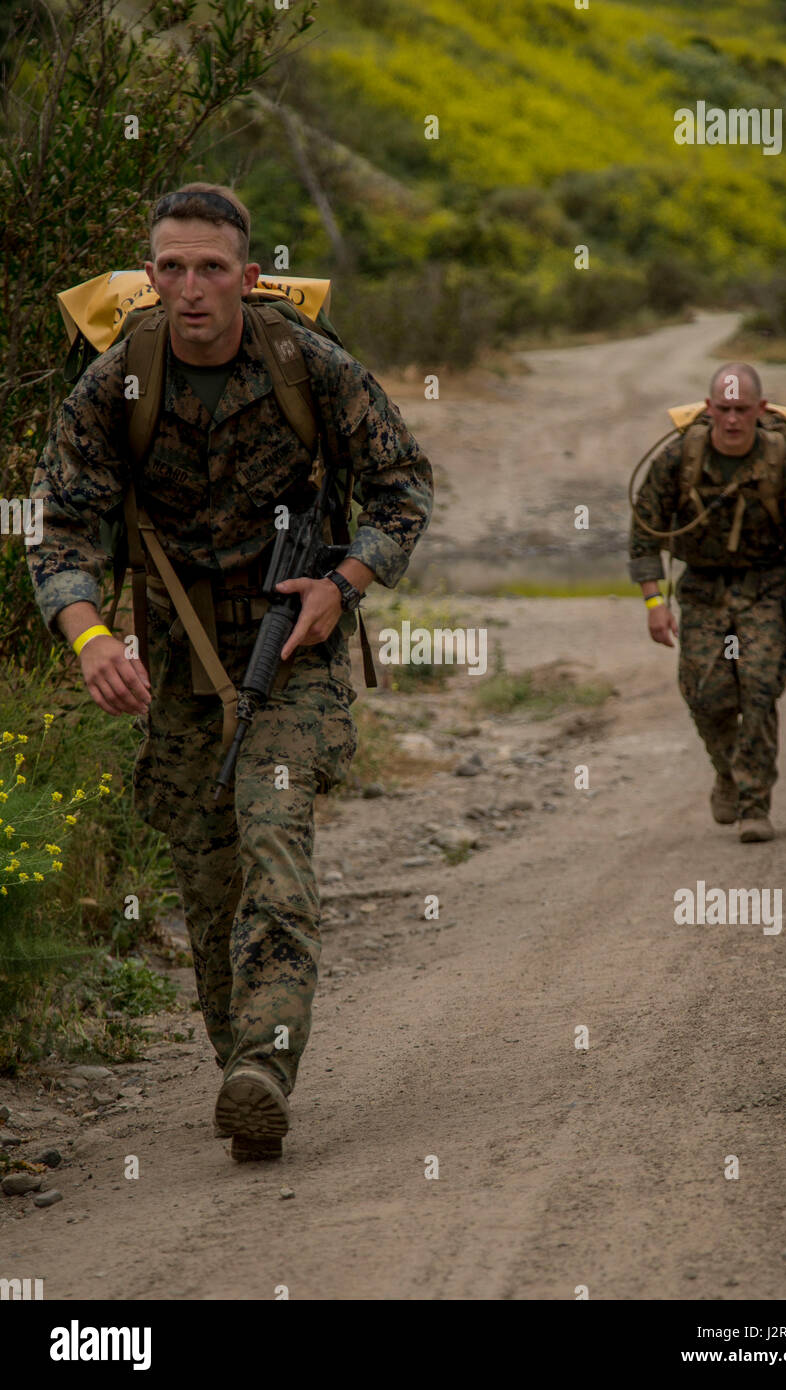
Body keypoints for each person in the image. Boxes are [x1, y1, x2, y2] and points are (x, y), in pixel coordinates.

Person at [27, 183, 433, 1159]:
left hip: (290, 646)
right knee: (207, 883)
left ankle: (266, 1063)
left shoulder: (306, 364)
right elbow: (64, 526)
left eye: (213, 268)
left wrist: (342, 581)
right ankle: (239, 1071)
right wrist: (89, 638)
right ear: (151, 276)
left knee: (274, 850)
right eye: (173, 267)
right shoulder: (120, 379)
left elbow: (401, 488)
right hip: (171, 660)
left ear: (249, 278)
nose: (193, 287)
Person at [628, 361, 786, 843]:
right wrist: (654, 604)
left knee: (758, 694)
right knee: (706, 696)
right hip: (702, 590)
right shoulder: (679, 458)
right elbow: (643, 534)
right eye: (723, 409)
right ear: (708, 409)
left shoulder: (784, 462)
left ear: (761, 410)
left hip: (767, 589)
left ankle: (753, 804)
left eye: (743, 409)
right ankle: (727, 771)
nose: (733, 419)